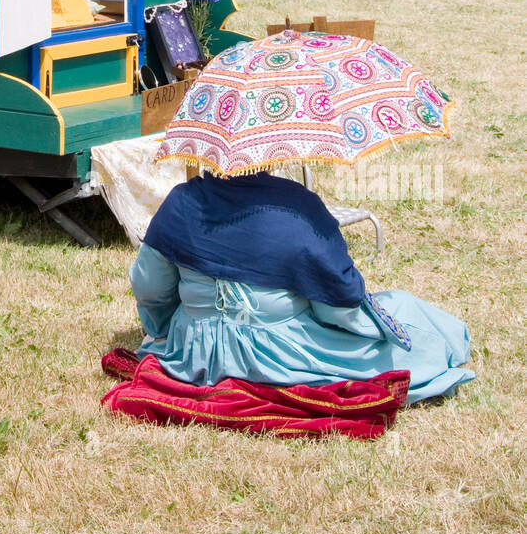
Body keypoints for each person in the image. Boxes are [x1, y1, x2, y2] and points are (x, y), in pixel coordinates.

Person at [130, 171, 473, 403]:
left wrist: (164, 332)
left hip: (193, 357)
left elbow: (149, 286)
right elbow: (339, 305)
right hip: (279, 357)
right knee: (404, 310)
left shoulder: (181, 202)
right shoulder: (296, 206)